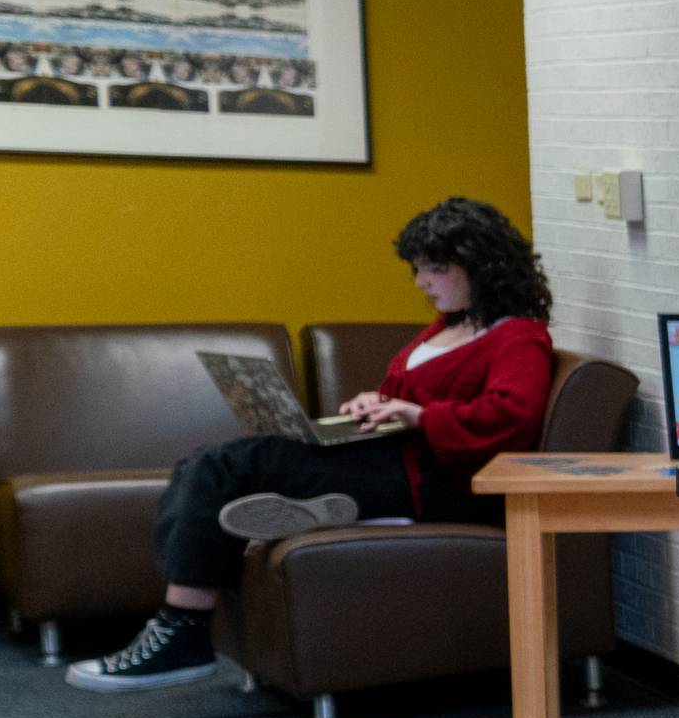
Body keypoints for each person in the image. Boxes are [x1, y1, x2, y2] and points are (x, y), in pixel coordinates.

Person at [65, 197, 555, 692]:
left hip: (429, 481)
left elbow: (512, 417)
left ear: (481, 264)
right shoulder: (450, 325)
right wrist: (380, 401)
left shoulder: (518, 338)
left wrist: (420, 414)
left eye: (436, 269)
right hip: (391, 458)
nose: (422, 282)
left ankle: (182, 630)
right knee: (201, 464)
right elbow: (424, 393)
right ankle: (305, 518)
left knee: (224, 467)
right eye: (418, 270)